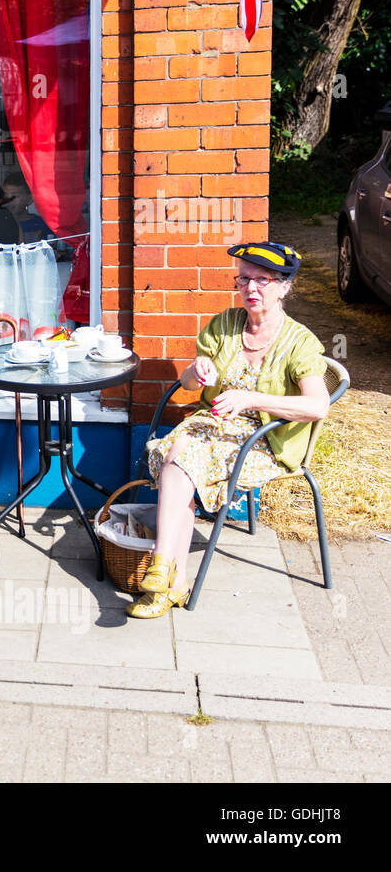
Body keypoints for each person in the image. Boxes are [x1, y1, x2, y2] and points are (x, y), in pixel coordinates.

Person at [133, 242, 329, 618]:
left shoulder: (299, 342)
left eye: (263, 281)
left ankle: (165, 576)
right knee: (180, 458)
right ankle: (169, 578)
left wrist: (251, 399)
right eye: (244, 280)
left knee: (180, 460)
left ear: (284, 286)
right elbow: (191, 387)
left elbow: (317, 406)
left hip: (263, 441)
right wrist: (196, 371)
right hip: (210, 428)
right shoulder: (224, 324)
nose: (251, 289)